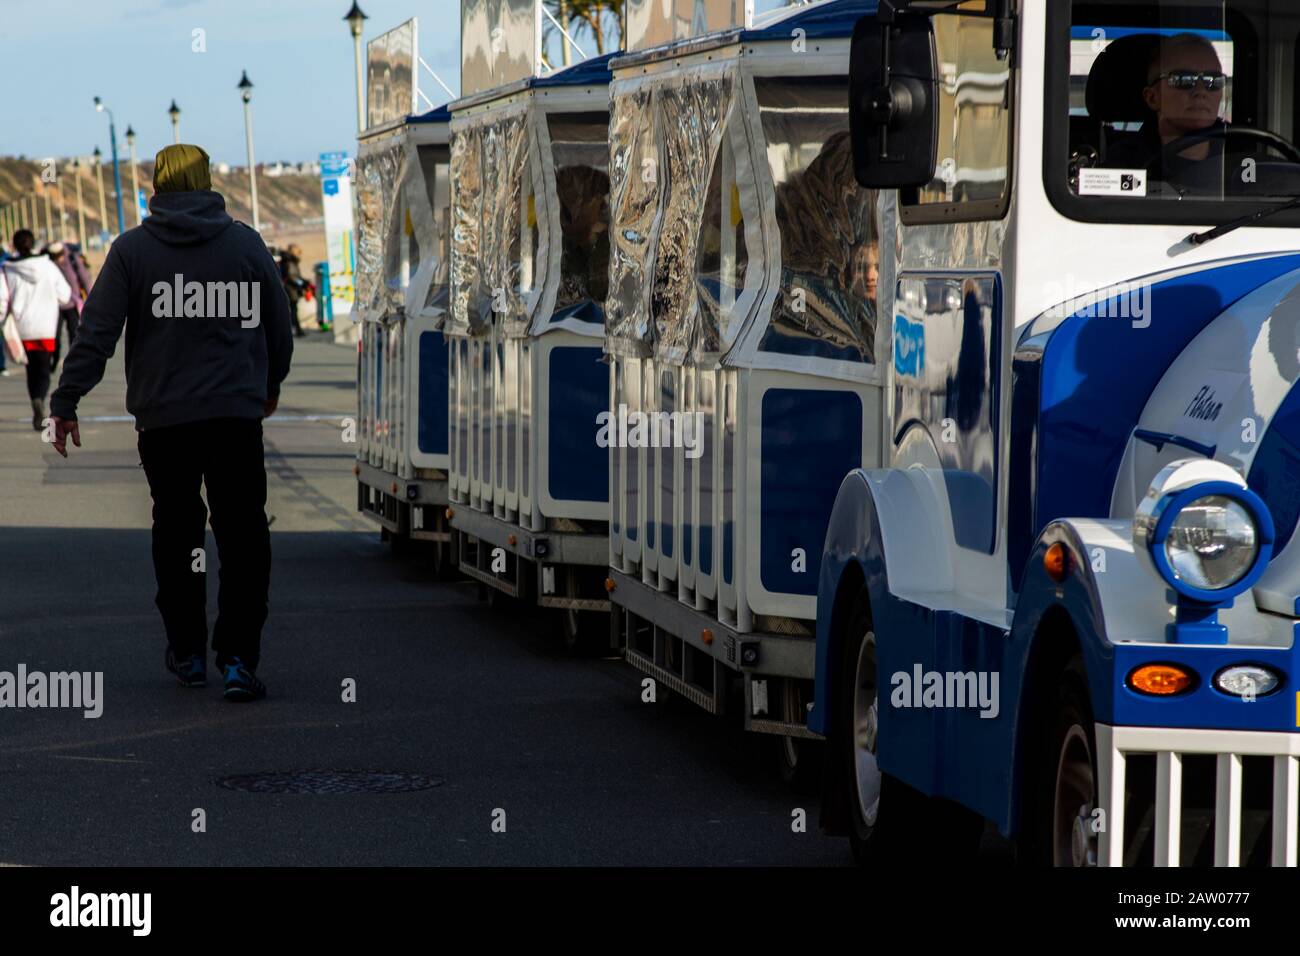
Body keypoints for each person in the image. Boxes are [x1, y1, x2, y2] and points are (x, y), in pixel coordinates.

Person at [49, 143, 295, 702]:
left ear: (157, 185)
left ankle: (187, 652)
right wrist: (269, 384)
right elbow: (279, 327)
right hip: (235, 416)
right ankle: (236, 658)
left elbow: (98, 332)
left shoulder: (134, 251)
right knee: (242, 534)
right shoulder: (244, 245)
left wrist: (67, 400)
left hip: (165, 423)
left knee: (178, 531)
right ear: (207, 181)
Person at [1105, 33, 1228, 191]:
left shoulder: (1244, 151)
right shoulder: (1122, 161)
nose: (1201, 91)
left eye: (1213, 80)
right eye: (1183, 79)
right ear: (1152, 98)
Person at [0, 229, 74, 429]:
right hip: (46, 327)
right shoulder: (48, 266)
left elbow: (2, 300)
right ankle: (40, 399)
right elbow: (65, 294)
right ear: (33, 243)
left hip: (22, 329)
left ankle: (36, 400)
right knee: (42, 370)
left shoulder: (7, 269)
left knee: (30, 369)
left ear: (14, 246)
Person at [45, 240, 93, 365]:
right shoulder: (47, 263)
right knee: (54, 335)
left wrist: (91, 299)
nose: (59, 260)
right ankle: (54, 358)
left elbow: (85, 279)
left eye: (60, 256)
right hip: (55, 305)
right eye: (55, 257)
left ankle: (74, 360)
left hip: (73, 303)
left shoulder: (72, 258)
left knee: (74, 333)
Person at [278, 243, 306, 337]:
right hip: (291, 290)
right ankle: (297, 330)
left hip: (289, 289)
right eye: (298, 253)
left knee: (293, 310)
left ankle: (296, 329)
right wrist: (303, 283)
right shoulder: (290, 262)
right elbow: (292, 276)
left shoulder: (287, 261)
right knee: (293, 311)